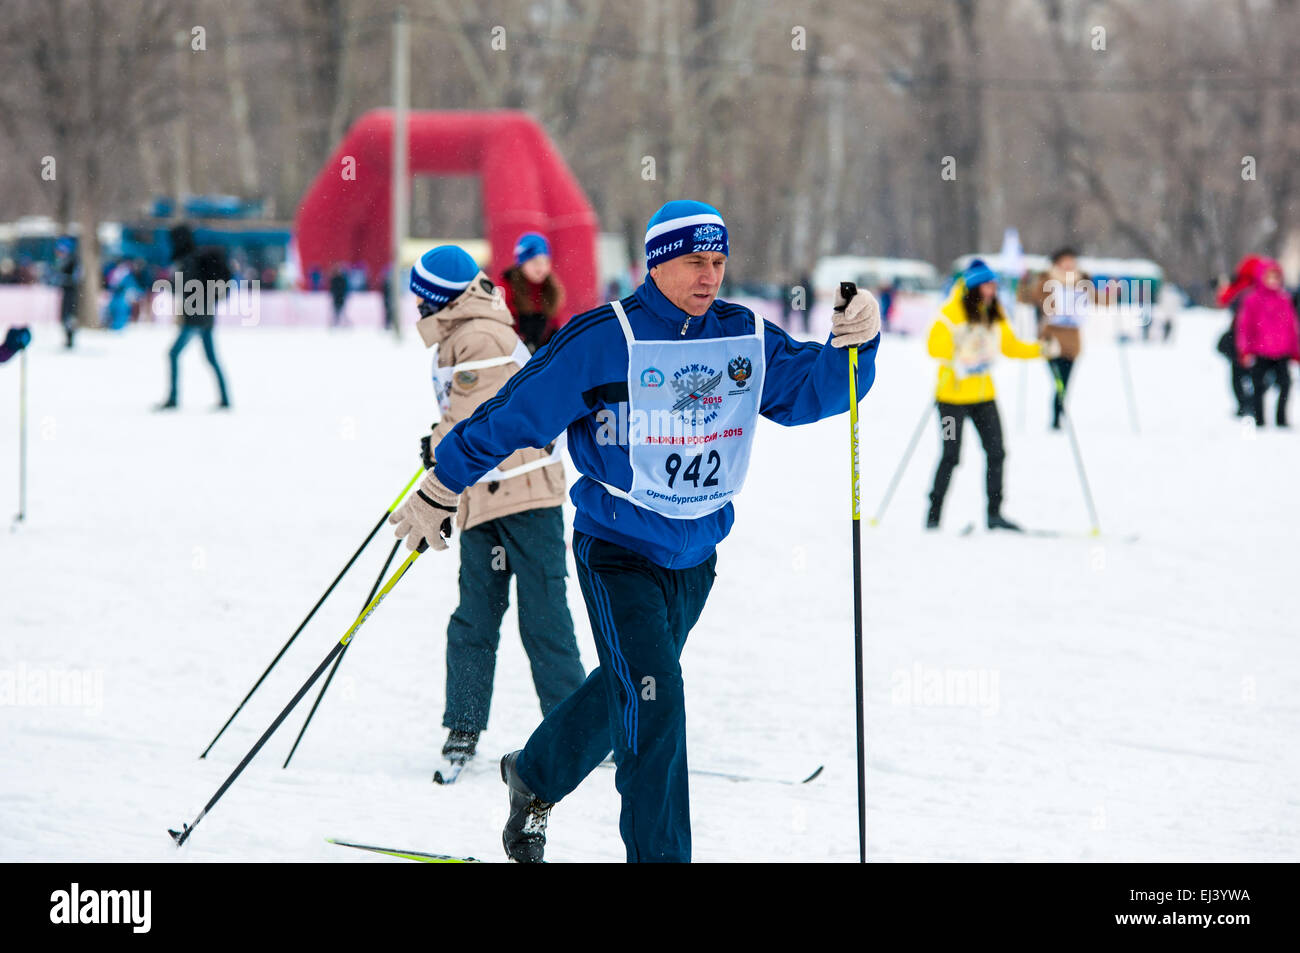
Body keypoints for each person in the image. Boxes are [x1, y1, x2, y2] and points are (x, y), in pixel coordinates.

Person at [385, 200, 881, 862]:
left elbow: (816, 390)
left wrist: (857, 344)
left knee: (629, 685)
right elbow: (515, 413)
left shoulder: (741, 335)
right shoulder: (604, 338)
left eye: (718, 262)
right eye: (694, 262)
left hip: (697, 555)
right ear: (657, 263)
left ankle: (534, 773)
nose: (709, 276)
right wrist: (444, 483)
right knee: (657, 702)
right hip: (616, 550)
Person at [406, 245, 587, 784]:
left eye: (420, 294)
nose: (414, 303)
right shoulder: (464, 331)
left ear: (437, 296)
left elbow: (474, 420)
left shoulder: (479, 335)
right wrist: (437, 445)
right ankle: (463, 726)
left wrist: (440, 448)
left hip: (527, 497)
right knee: (475, 616)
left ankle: (576, 730)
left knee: (544, 616)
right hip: (486, 497)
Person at [926, 260, 1057, 531]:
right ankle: (934, 514)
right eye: (987, 285)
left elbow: (1010, 346)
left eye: (994, 285)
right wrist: (958, 347)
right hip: (951, 400)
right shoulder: (951, 312)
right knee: (951, 455)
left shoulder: (994, 311)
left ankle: (994, 514)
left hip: (984, 397)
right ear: (974, 287)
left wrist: (1040, 350)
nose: (992, 290)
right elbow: (933, 347)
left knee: (997, 452)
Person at [157, 224, 232, 411]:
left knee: (173, 354)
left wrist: (167, 283)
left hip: (194, 317)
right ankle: (225, 398)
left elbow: (184, 287)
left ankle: (173, 398)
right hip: (207, 315)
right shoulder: (198, 257)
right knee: (212, 358)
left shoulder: (187, 261)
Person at [1020, 247, 1093, 429]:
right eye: (1064, 261)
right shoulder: (1046, 280)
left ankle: (1059, 412)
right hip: (1050, 338)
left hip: (1071, 341)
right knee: (1058, 380)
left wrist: (1112, 292)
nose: (1068, 265)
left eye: (1071, 261)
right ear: (1057, 263)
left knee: (1065, 383)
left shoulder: (1082, 281)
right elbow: (1027, 297)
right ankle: (1056, 416)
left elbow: (1099, 299)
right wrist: (1024, 283)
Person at [1235, 258, 1299, 428]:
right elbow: (1245, 327)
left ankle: (1281, 418)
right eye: (1269, 277)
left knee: (1285, 385)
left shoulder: (1284, 300)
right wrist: (1245, 349)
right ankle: (1260, 418)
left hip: (1282, 351)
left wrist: (1295, 350)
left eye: (1275, 277)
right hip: (1260, 350)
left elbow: (1292, 327)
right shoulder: (1252, 299)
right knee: (1259, 387)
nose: (1272, 281)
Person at [1216, 254, 1266, 417]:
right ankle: (1251, 401)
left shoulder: (1241, 286)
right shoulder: (1262, 287)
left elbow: (1223, 300)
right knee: (1259, 373)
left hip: (1240, 335)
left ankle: (1244, 403)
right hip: (1258, 336)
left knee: (1238, 373)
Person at [500, 232, 564, 353]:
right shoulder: (506, 286)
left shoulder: (550, 289)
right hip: (511, 355)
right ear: (522, 263)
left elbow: (555, 328)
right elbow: (498, 327)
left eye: (546, 262)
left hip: (540, 359)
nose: (541, 268)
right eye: (535, 263)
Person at [52, 237, 79, 349]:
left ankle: (70, 339)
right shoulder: (64, 260)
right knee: (65, 316)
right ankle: (67, 338)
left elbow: (76, 277)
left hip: (71, 292)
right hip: (66, 291)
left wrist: (63, 279)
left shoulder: (72, 260)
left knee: (69, 316)